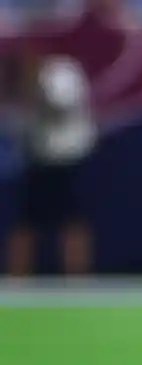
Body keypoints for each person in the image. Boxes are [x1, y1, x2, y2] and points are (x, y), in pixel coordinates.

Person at [5, 50, 96, 276]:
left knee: (72, 219)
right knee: (26, 221)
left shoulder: (63, 71)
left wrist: (35, 88)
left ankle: (77, 277)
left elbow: (60, 109)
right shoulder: (16, 69)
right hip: (37, 155)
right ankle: (18, 278)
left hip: (67, 155)